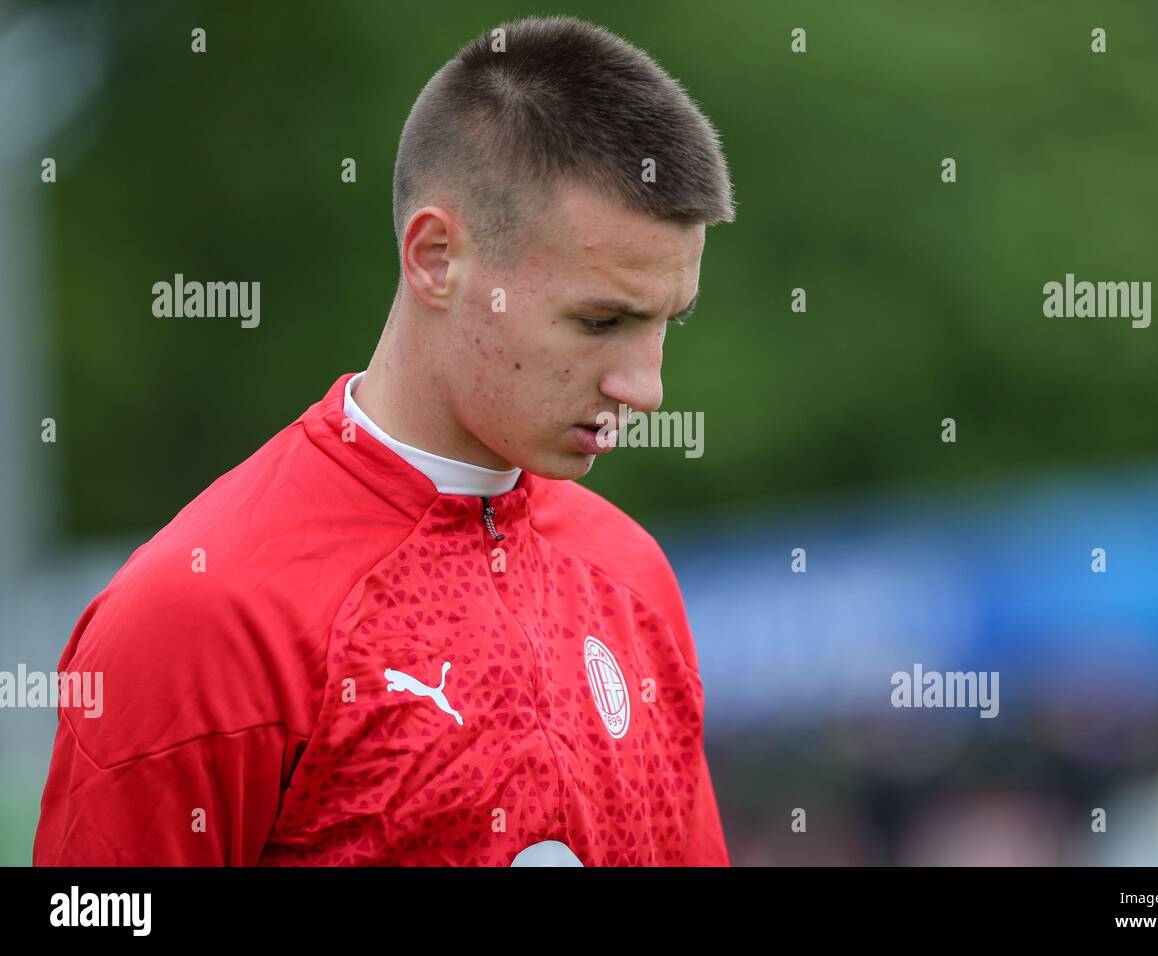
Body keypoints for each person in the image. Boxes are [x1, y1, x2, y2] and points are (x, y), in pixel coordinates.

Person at [33, 14, 734, 866]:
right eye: (599, 320)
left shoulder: (632, 577)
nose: (647, 389)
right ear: (437, 257)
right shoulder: (200, 616)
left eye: (667, 323)